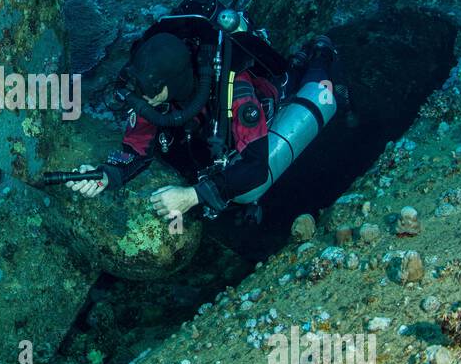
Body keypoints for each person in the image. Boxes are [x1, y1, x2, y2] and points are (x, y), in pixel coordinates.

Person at [67, 19, 339, 221]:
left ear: (171, 83)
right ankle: (301, 59)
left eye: (149, 91)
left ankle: (321, 54)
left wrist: (191, 196)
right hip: (200, 135)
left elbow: (256, 167)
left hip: (263, 103)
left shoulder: (236, 91)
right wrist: (105, 175)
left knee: (300, 84)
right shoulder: (151, 95)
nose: (141, 99)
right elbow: (135, 149)